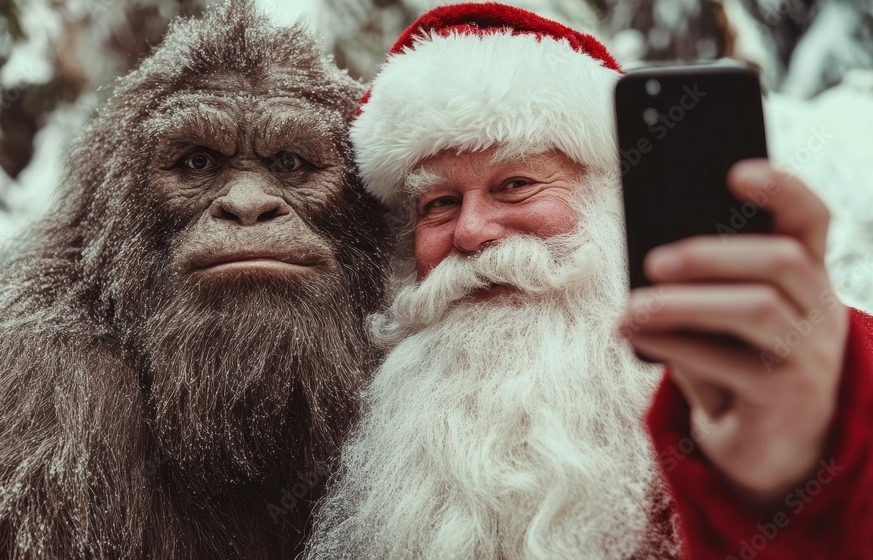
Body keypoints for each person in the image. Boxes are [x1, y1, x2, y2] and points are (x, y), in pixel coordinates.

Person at [304, 3, 873, 559]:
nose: (471, 232)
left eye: (517, 184)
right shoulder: (346, 418)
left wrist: (805, 480)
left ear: (611, 204)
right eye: (440, 203)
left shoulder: (822, 366)